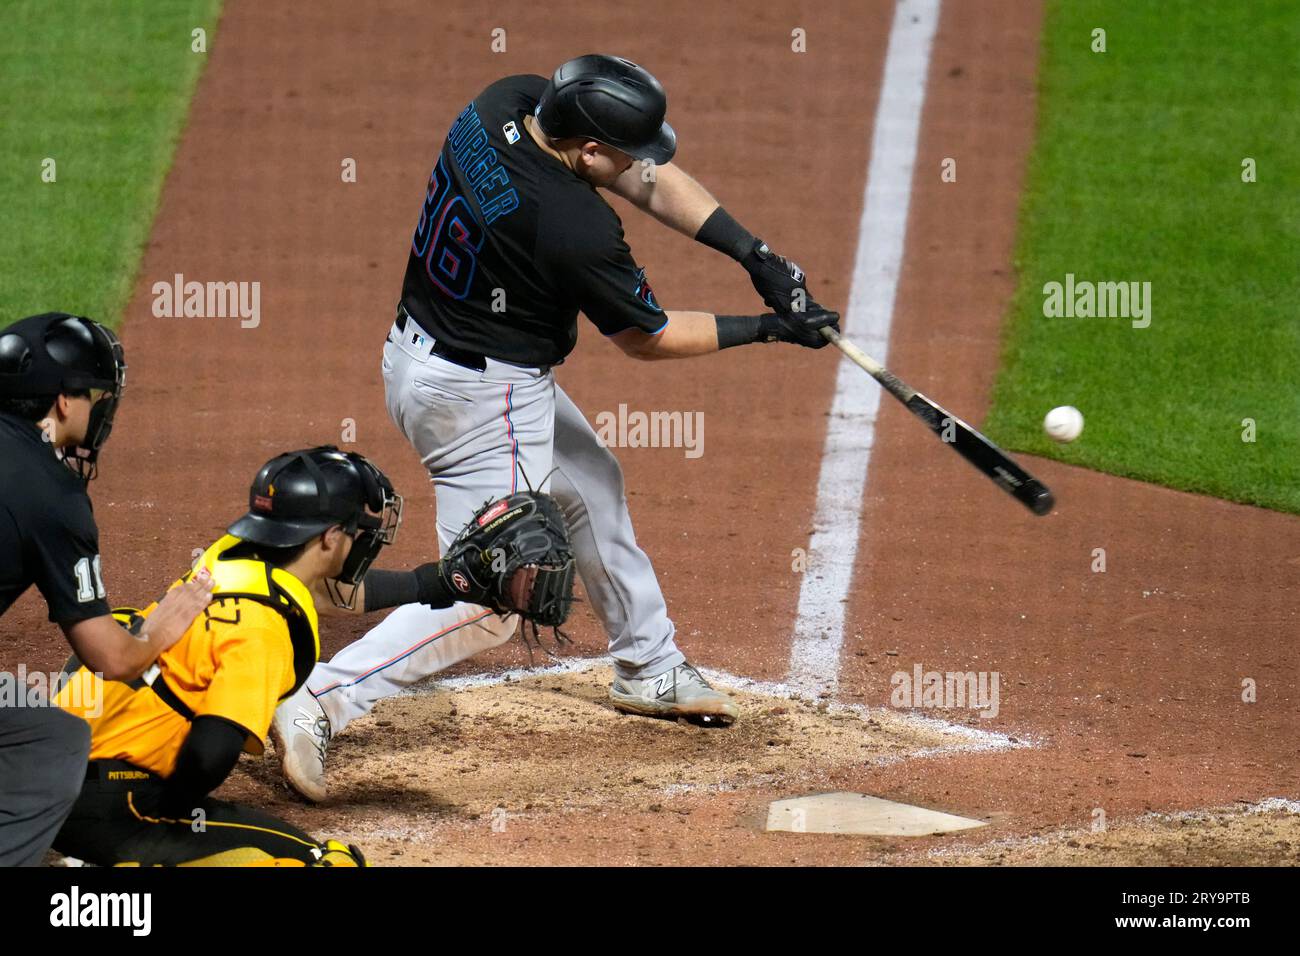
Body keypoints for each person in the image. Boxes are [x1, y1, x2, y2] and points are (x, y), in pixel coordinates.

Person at [271, 53, 839, 803]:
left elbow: (640, 175)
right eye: (625, 151)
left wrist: (752, 252)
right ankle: (321, 699)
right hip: (482, 401)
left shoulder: (505, 100)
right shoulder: (573, 227)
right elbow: (649, 337)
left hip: (426, 354)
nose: (641, 164)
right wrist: (770, 327)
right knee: (492, 595)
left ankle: (649, 664)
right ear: (590, 150)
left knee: (588, 484)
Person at [51, 446, 572, 865]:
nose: (367, 540)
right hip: (112, 804)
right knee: (328, 863)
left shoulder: (229, 558)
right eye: (357, 530)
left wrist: (432, 582)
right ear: (327, 538)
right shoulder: (263, 630)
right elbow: (211, 753)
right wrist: (175, 821)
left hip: (57, 757)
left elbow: (322, 592)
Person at [0, 312, 214, 867]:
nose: (99, 407)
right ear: (64, 402)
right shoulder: (51, 493)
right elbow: (111, 658)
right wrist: (160, 628)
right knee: (52, 740)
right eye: (94, 394)